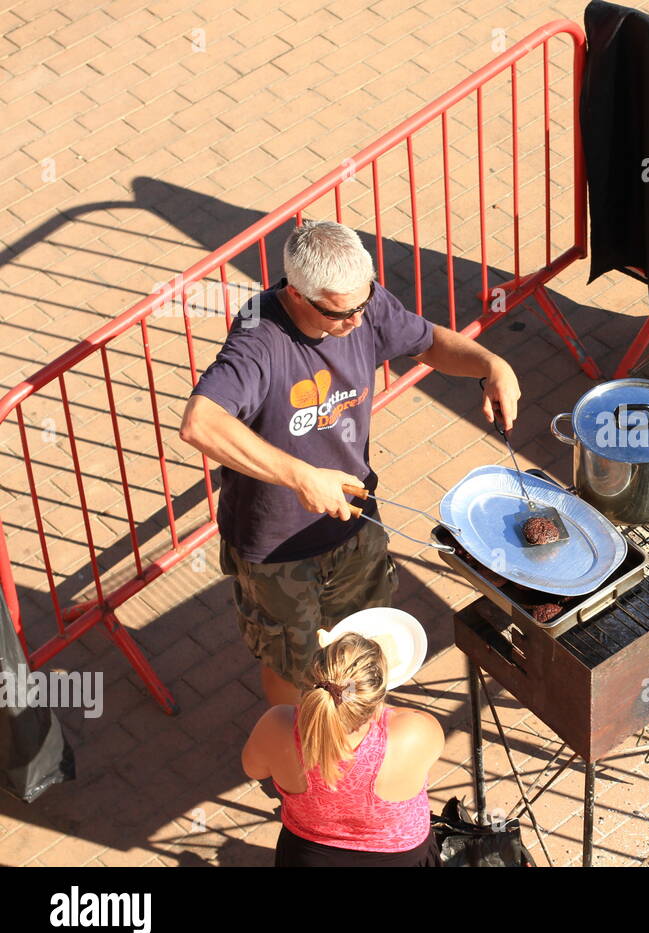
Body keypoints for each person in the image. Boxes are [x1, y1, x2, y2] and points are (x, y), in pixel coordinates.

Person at [180, 220, 521, 705]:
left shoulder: (362, 303)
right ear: (296, 294)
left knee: (362, 650)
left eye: (363, 304)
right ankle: (297, 761)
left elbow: (428, 342)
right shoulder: (259, 338)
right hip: (277, 547)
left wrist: (492, 365)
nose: (358, 323)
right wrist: (301, 477)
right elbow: (200, 423)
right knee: (294, 665)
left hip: (354, 519)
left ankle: (354, 749)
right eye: (341, 314)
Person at [241, 633, 445, 866]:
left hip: (309, 855)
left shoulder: (276, 725)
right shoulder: (415, 732)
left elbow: (253, 769)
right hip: (401, 857)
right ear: (375, 696)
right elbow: (432, 749)